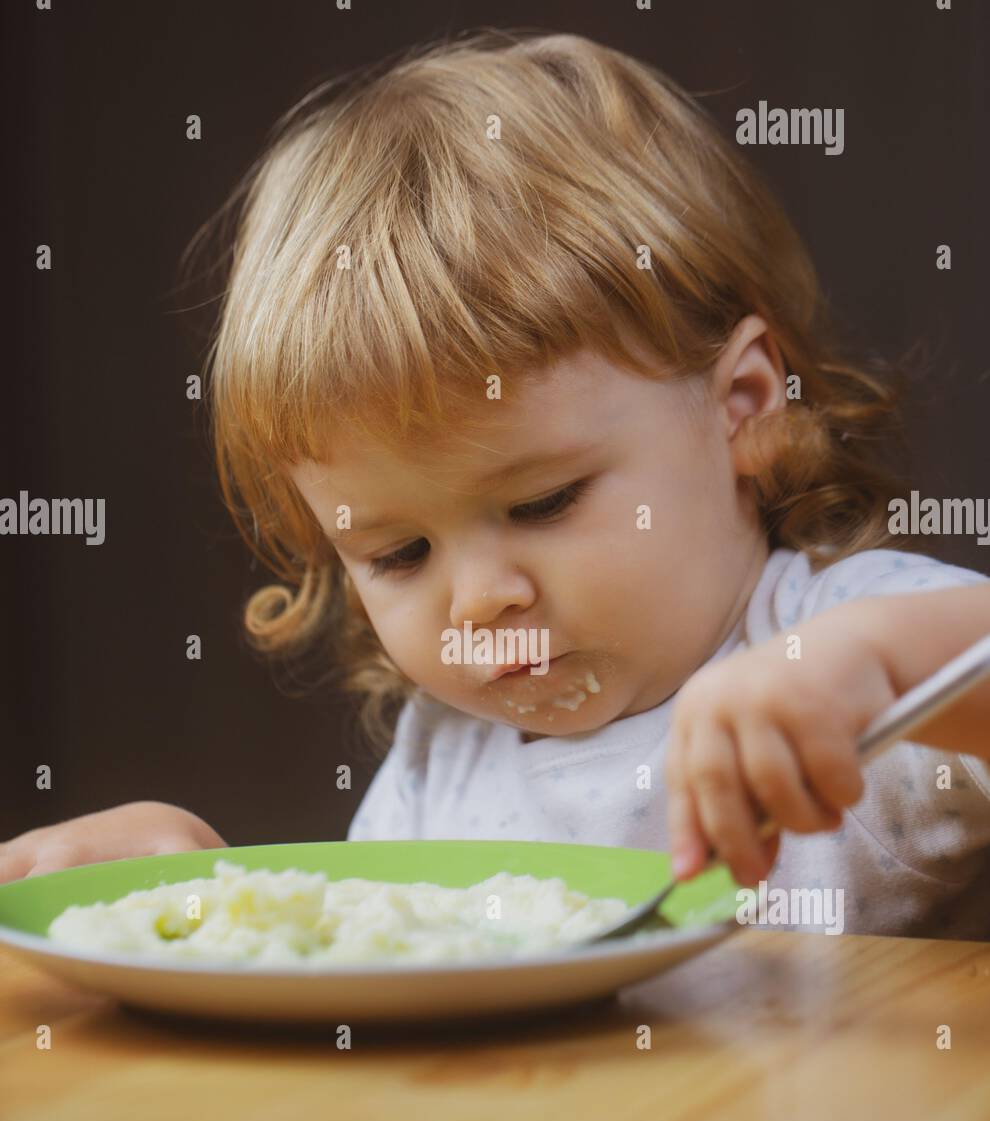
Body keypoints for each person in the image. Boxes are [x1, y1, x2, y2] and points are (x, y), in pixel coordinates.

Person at [4, 32, 989, 938]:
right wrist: (196, 900)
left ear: (741, 404)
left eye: (544, 502)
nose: (480, 600)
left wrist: (883, 667)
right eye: (398, 553)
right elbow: (375, 976)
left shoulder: (825, 640)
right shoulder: (447, 756)